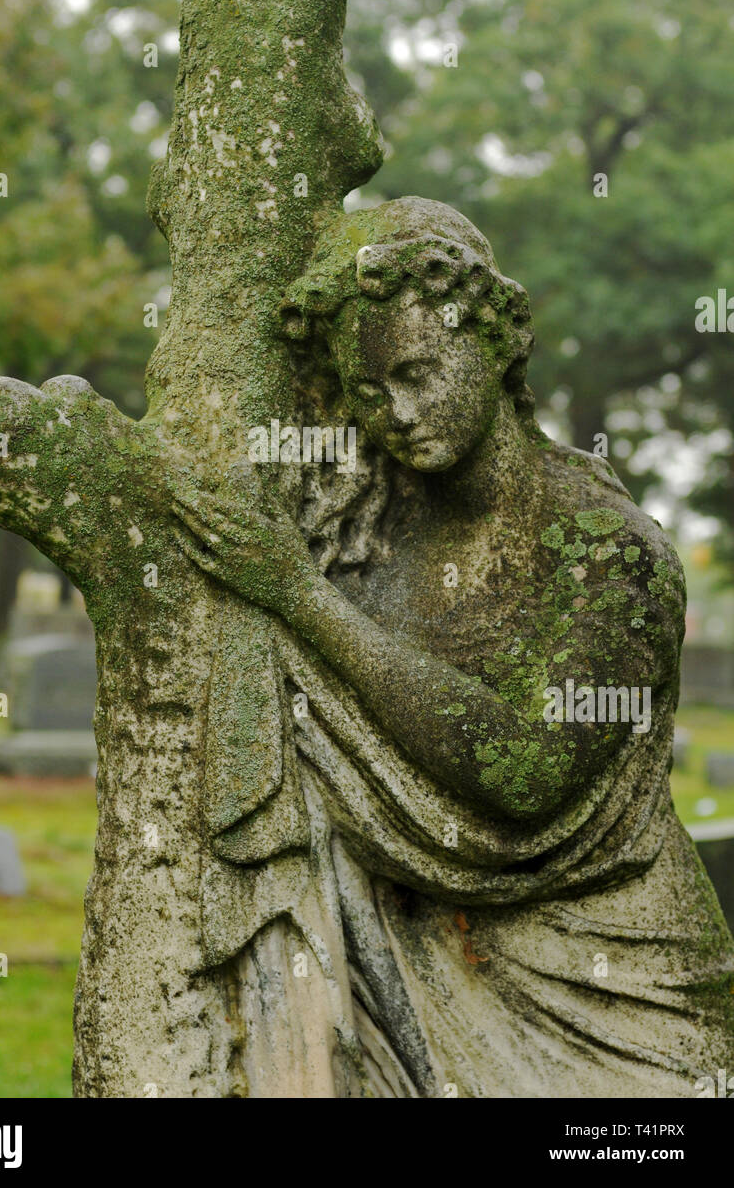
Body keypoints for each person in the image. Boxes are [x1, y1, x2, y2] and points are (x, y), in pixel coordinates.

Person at [166, 196, 734, 1097]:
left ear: (497, 338)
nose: (396, 410)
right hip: (409, 965)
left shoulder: (608, 552)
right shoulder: (361, 532)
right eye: (368, 392)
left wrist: (296, 596)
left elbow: (525, 771)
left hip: (617, 1001)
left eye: (419, 372)